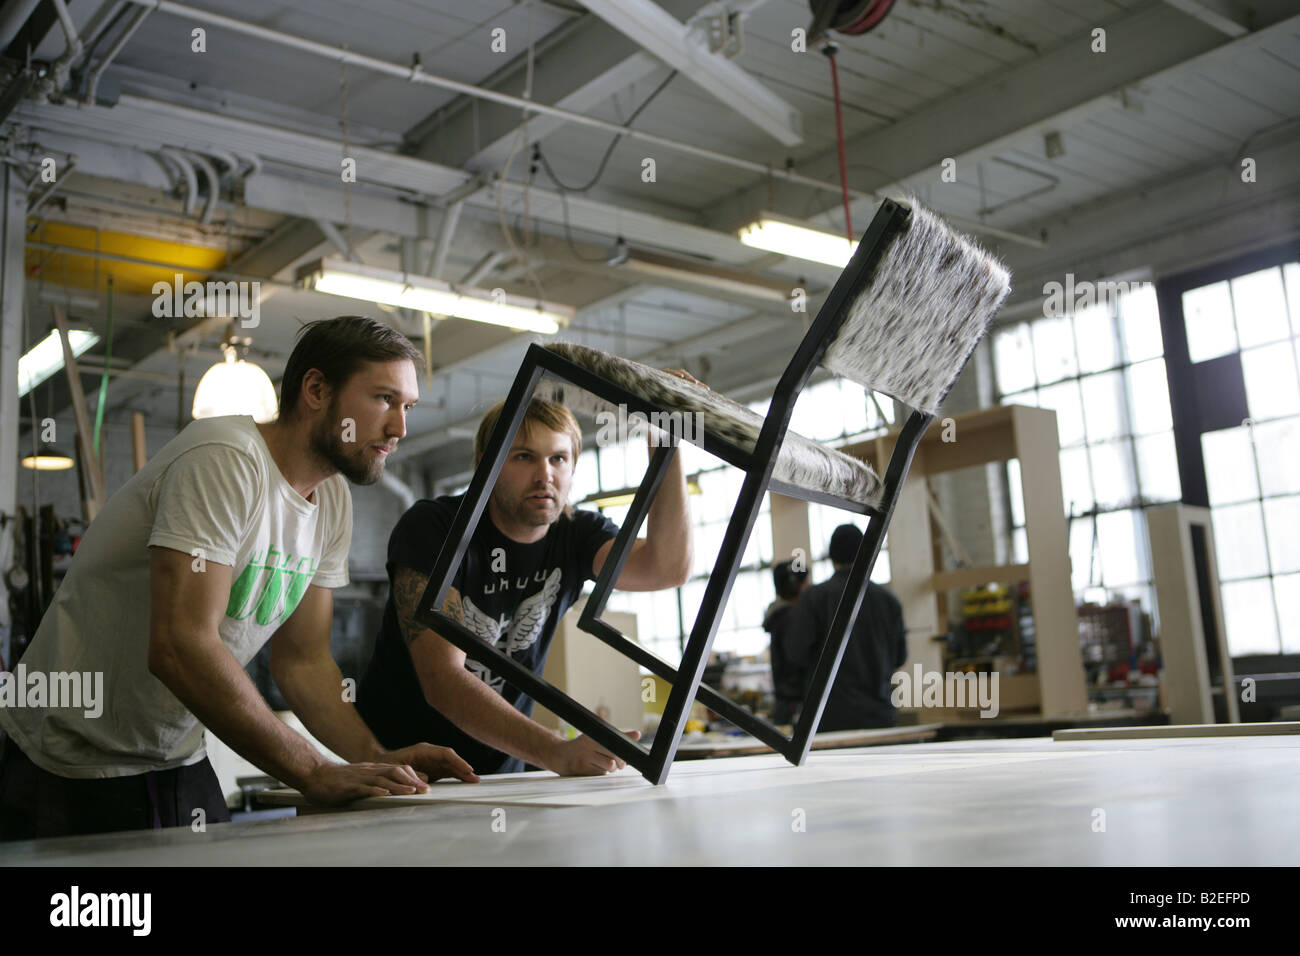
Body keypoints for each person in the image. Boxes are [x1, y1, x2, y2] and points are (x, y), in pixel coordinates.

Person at [0, 316, 475, 841]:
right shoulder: (225, 459)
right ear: (316, 390)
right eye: (385, 399)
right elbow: (179, 647)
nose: (400, 428)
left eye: (408, 407)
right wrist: (313, 770)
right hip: (63, 760)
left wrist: (375, 758)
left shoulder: (332, 501)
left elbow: (304, 661)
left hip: (176, 759)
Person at [357, 388, 697, 777]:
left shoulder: (577, 534)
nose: (545, 475)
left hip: (503, 777)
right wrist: (556, 751)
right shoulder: (436, 528)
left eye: (558, 458)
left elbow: (666, 567)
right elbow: (443, 678)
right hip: (398, 773)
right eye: (523, 457)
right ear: (486, 464)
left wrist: (665, 438)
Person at [787, 524, 907, 731]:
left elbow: (796, 654)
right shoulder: (889, 600)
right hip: (880, 715)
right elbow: (899, 658)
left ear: (831, 556)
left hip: (829, 717)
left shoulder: (814, 598)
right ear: (867, 553)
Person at [764, 560, 809, 726]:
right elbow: (798, 660)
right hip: (796, 704)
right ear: (797, 586)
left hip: (786, 703)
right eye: (806, 583)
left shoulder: (778, 615)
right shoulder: (792, 618)